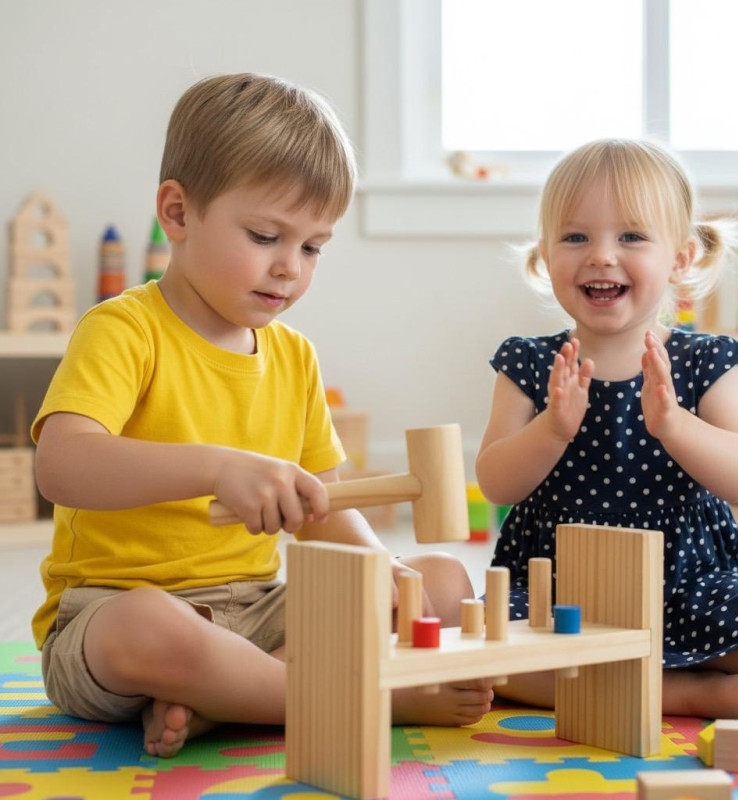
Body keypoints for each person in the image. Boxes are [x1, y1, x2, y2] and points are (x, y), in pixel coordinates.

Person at [31, 73, 492, 758]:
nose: (289, 269)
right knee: (151, 630)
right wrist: (219, 467)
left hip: (259, 609)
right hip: (112, 613)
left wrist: (382, 570)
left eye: (311, 248)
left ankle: (229, 697)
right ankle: (357, 696)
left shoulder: (294, 357)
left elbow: (324, 510)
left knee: (444, 583)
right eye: (266, 235)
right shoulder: (123, 329)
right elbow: (63, 466)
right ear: (178, 213)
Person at [476, 138, 738, 728]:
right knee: (481, 662)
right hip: (558, 591)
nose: (601, 256)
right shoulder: (527, 363)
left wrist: (675, 425)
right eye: (575, 238)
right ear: (546, 257)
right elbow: (496, 482)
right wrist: (552, 428)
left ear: (680, 258)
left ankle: (649, 676)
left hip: (688, 585)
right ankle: (686, 693)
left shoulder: (706, 360)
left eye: (631, 237)